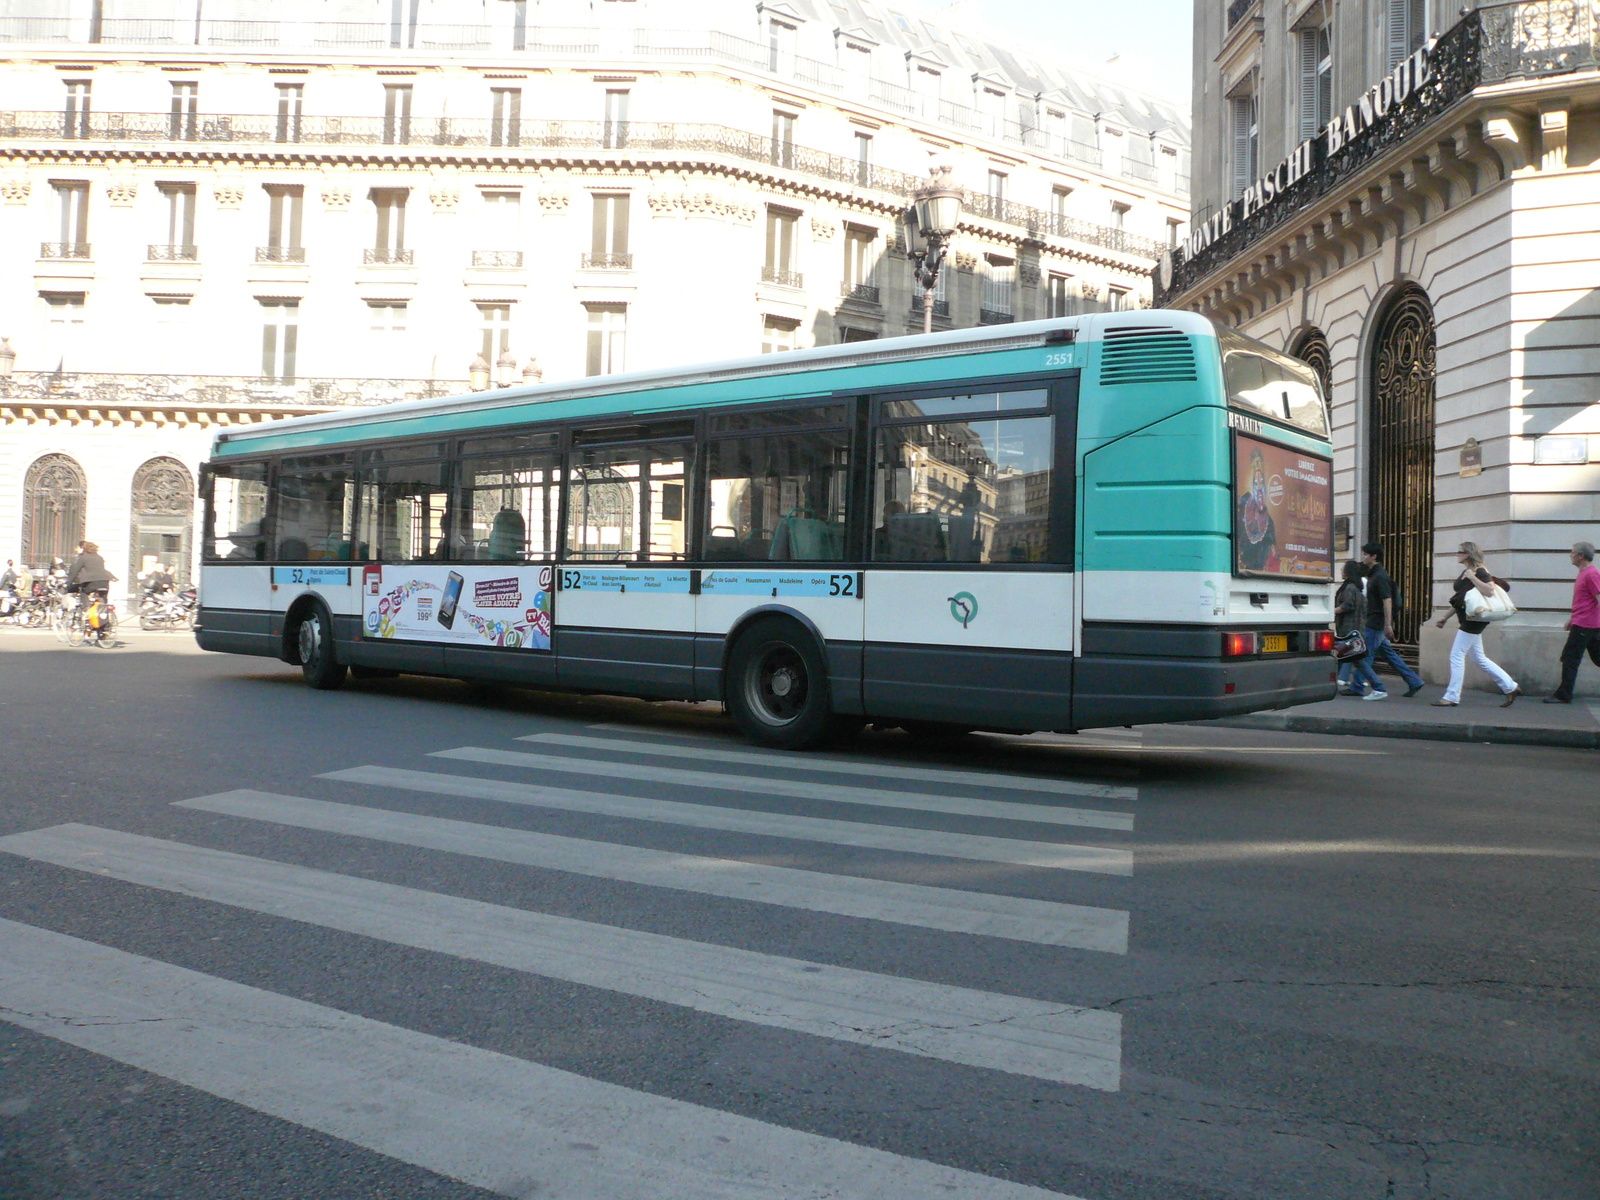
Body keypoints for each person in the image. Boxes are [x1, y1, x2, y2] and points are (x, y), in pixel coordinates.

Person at [1433, 541, 1519, 707]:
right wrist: (1445, 617)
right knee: (1478, 658)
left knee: (1456, 655)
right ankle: (1511, 686)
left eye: (1460, 552)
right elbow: (1461, 598)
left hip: (1474, 620)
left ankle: (1452, 696)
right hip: (1467, 618)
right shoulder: (1466, 571)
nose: (1457, 554)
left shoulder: (1480, 570)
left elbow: (1489, 590)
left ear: (1468, 554)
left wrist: (1473, 577)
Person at [1356, 541, 1425, 700]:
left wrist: (1388, 624)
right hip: (1376, 620)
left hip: (1376, 621)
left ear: (1374, 556)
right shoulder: (1374, 574)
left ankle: (1374, 688)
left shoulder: (1380, 576)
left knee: (1363, 656)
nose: (1363, 557)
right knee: (1389, 654)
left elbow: (1387, 600)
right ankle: (1414, 681)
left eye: (1365, 554)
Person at [1545, 540, 1600, 703]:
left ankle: (1564, 695)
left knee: (1570, 658)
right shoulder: (1584, 573)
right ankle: (1564, 693)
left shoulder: (1591, 574)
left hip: (1586, 625)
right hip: (1584, 623)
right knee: (1597, 657)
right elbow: (1584, 601)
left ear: (1581, 556)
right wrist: (1572, 618)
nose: (1570, 555)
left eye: (1572, 552)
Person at [1334, 559, 1382, 696]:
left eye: (1343, 568)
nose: (1341, 570)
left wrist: (1333, 611)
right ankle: (1330, 685)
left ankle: (1379, 687)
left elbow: (1347, 605)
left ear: (1348, 571)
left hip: (1349, 630)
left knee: (1358, 661)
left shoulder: (1350, 588)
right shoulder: (1356, 588)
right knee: (1341, 658)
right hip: (1353, 629)